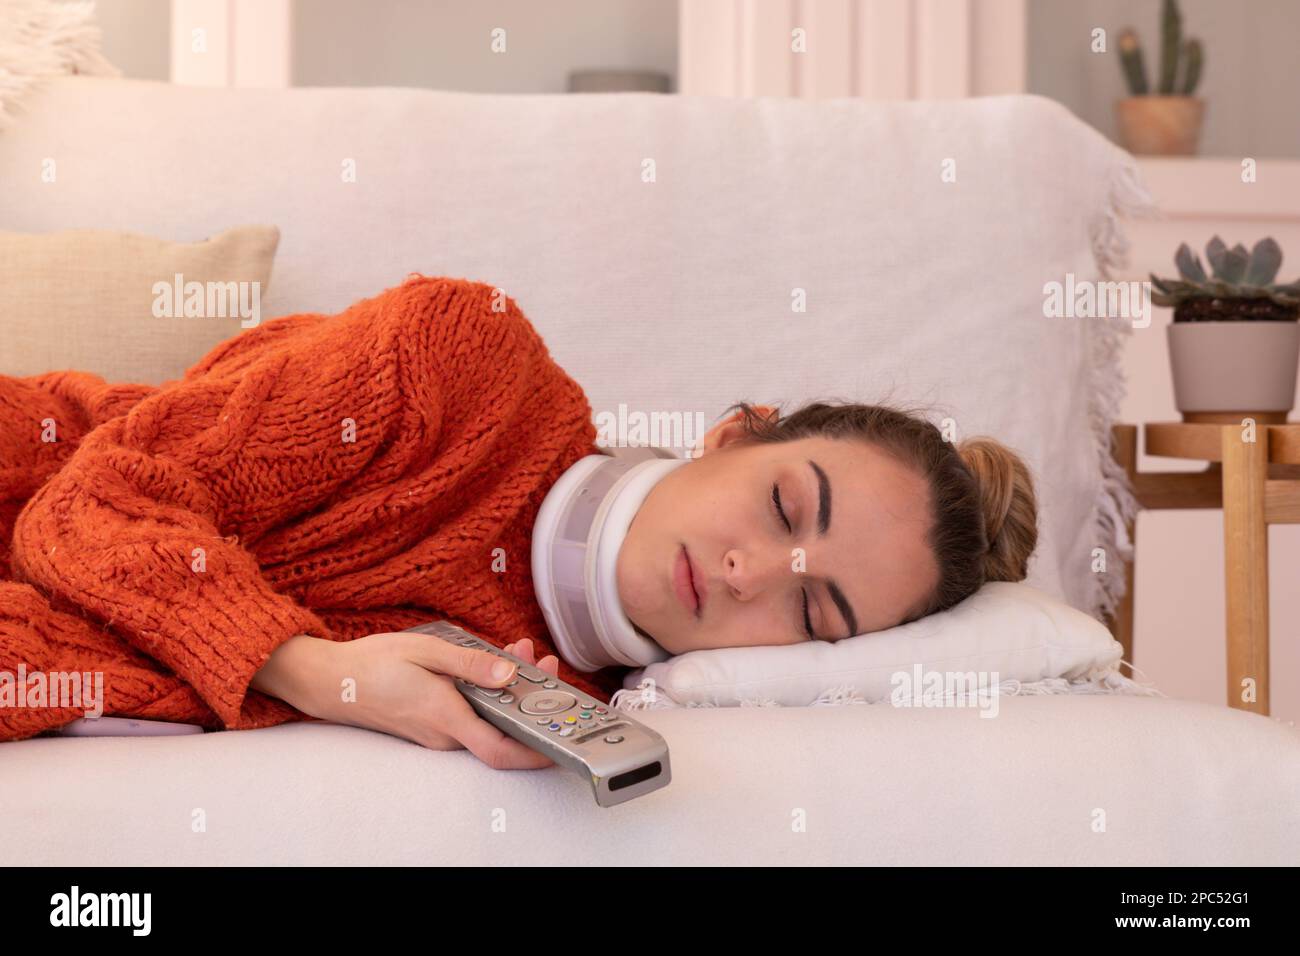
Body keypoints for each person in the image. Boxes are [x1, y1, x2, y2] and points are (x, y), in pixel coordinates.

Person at [0, 275, 1037, 771]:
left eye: (811, 607)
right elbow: (87, 507)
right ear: (733, 434)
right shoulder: (464, 355)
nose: (743, 571)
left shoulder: (555, 701)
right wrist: (320, 669)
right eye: (781, 508)